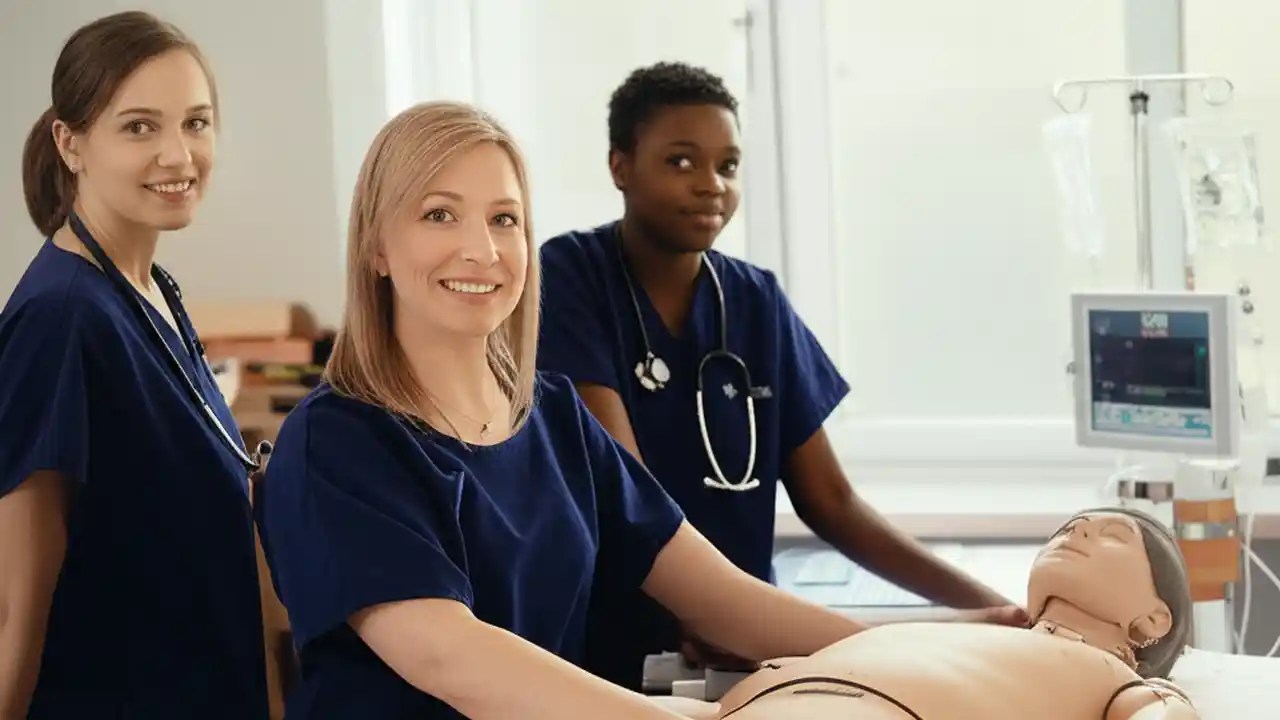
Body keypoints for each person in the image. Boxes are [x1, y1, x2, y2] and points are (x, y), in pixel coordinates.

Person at [250, 100, 962, 720]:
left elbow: (720, 597)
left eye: (505, 219)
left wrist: (925, 653)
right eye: (439, 215)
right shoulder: (340, 441)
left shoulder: (554, 417)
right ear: (376, 244)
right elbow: (451, 658)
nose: (482, 250)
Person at [536, 60, 1023, 689]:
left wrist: (991, 610)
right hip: (610, 647)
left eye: (728, 165)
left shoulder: (754, 301)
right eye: (681, 161)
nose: (711, 185)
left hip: (748, 652)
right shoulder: (569, 278)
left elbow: (833, 503)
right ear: (620, 167)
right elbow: (631, 500)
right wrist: (705, 610)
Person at [0, 12, 268, 719]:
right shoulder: (61, 317)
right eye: (140, 127)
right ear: (71, 141)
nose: (180, 156)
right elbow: (16, 605)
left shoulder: (152, 288)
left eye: (197, 123)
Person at [675, 507, 1196, 720]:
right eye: (1069, 528)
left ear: (1153, 621)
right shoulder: (971, 639)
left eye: (1112, 537)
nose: (1078, 531)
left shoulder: (1113, 679)